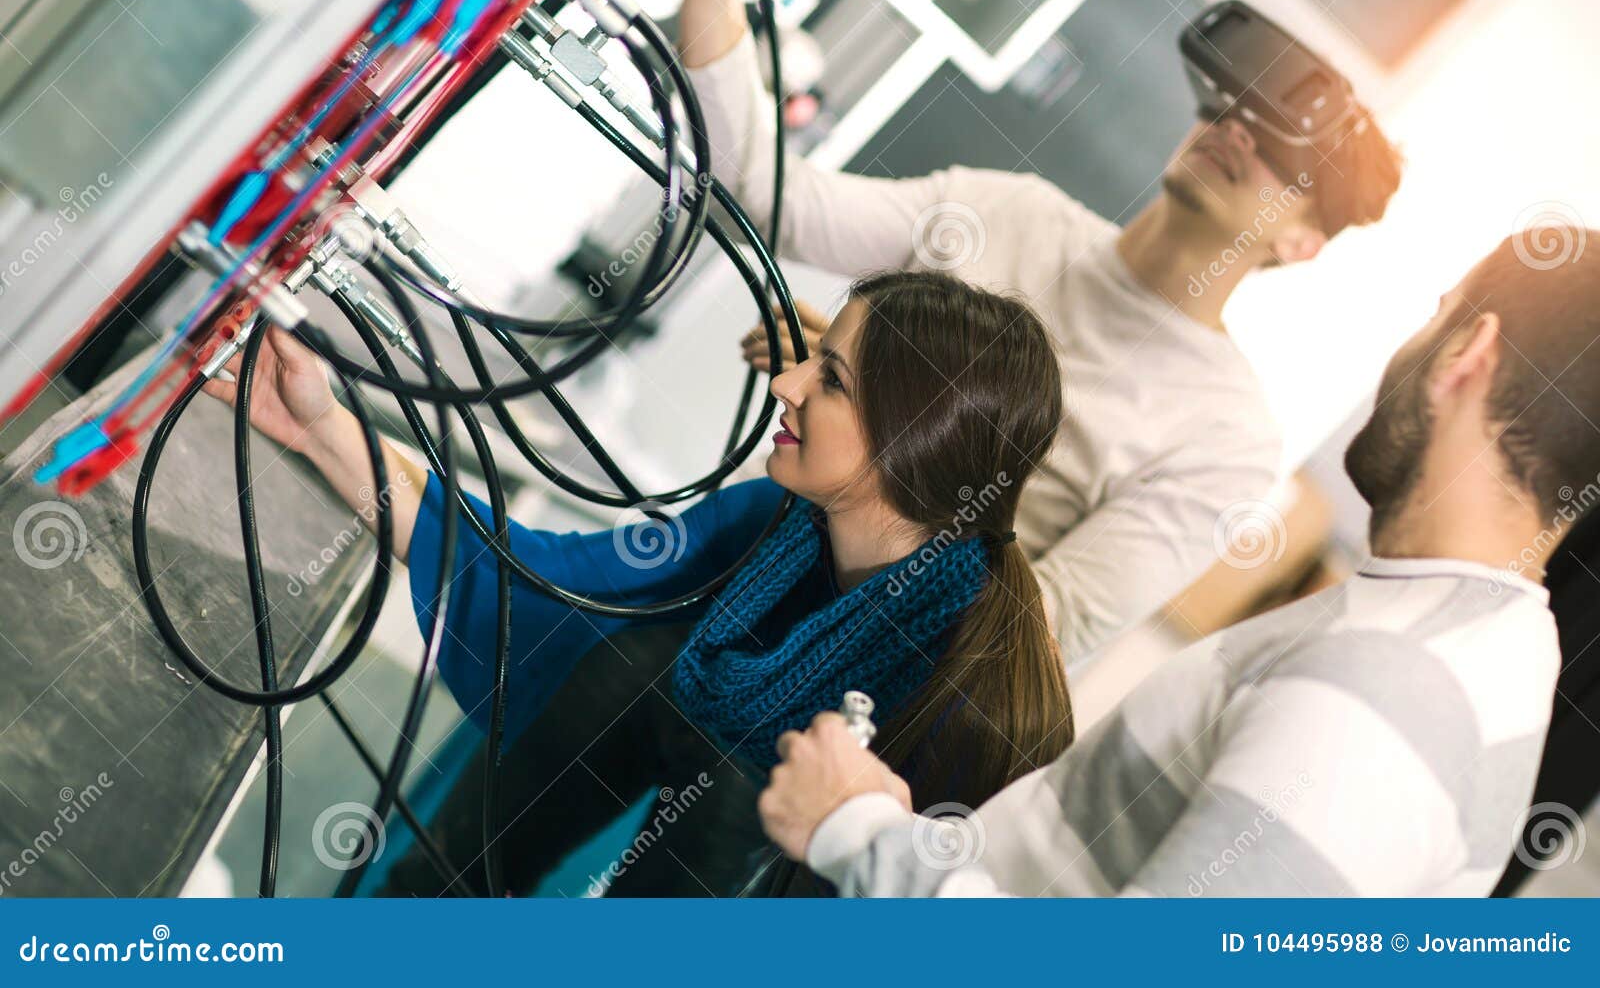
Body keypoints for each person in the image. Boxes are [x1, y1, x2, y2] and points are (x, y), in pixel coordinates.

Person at [640, 0, 1407, 663]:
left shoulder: (1227, 435)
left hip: (845, 692)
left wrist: (874, 403)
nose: (1239, 132)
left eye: (1281, 151)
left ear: (1303, 242)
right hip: (728, 571)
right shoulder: (1011, 213)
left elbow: (1045, 629)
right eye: (1231, 106)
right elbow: (770, 198)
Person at [755, 235, 1600, 897]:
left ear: (1468, 354)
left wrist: (857, 830)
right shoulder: (1479, 647)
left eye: (1436, 313)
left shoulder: (1392, 696)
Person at [205, 270, 1073, 894]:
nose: (786, 380)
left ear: (913, 439)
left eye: (830, 377)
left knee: (740, 789)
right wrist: (320, 427)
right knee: (641, 665)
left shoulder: (981, 698)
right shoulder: (777, 521)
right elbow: (542, 577)